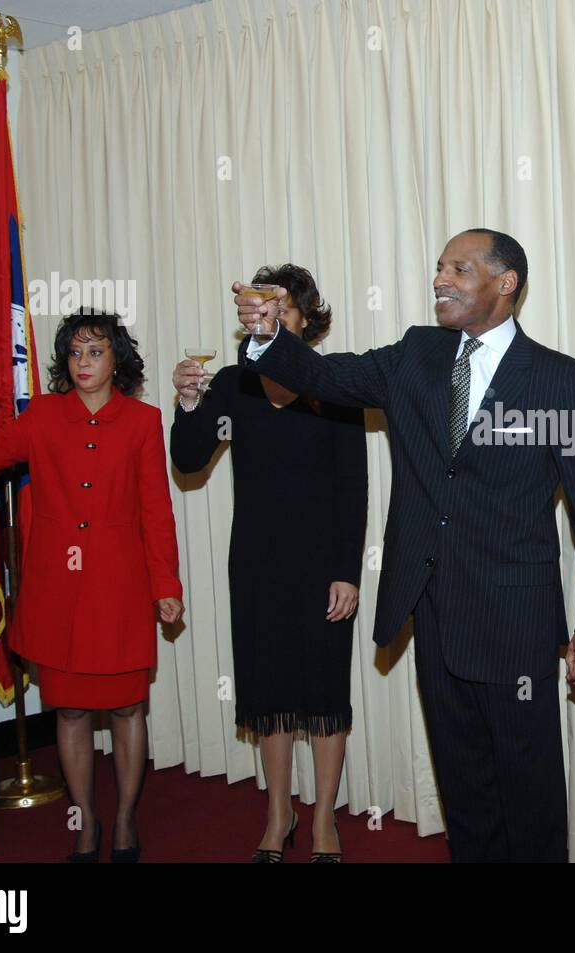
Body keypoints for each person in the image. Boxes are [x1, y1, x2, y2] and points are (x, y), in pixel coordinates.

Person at [234, 229, 575, 862]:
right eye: (439, 267)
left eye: (460, 269)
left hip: (515, 619)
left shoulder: (557, 379)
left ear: (505, 283)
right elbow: (324, 375)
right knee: (462, 786)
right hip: (433, 609)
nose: (441, 279)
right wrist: (270, 336)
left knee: (528, 790)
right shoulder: (416, 354)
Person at [0, 309, 184, 863]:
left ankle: (126, 817)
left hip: (123, 587)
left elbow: (156, 510)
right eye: (75, 353)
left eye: (96, 351)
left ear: (117, 361)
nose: (83, 363)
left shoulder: (142, 419)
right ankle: (86, 822)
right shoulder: (42, 416)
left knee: (130, 708)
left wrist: (166, 584)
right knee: (71, 712)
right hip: (55, 587)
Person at [171, 264, 367, 863]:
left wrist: (347, 571)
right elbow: (188, 457)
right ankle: (279, 813)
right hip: (255, 562)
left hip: (322, 565)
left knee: (325, 694)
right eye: (261, 304)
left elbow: (352, 485)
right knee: (270, 692)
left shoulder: (331, 381)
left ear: (304, 316)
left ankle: (325, 822)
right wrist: (186, 400)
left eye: (280, 304)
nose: (269, 313)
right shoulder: (234, 382)